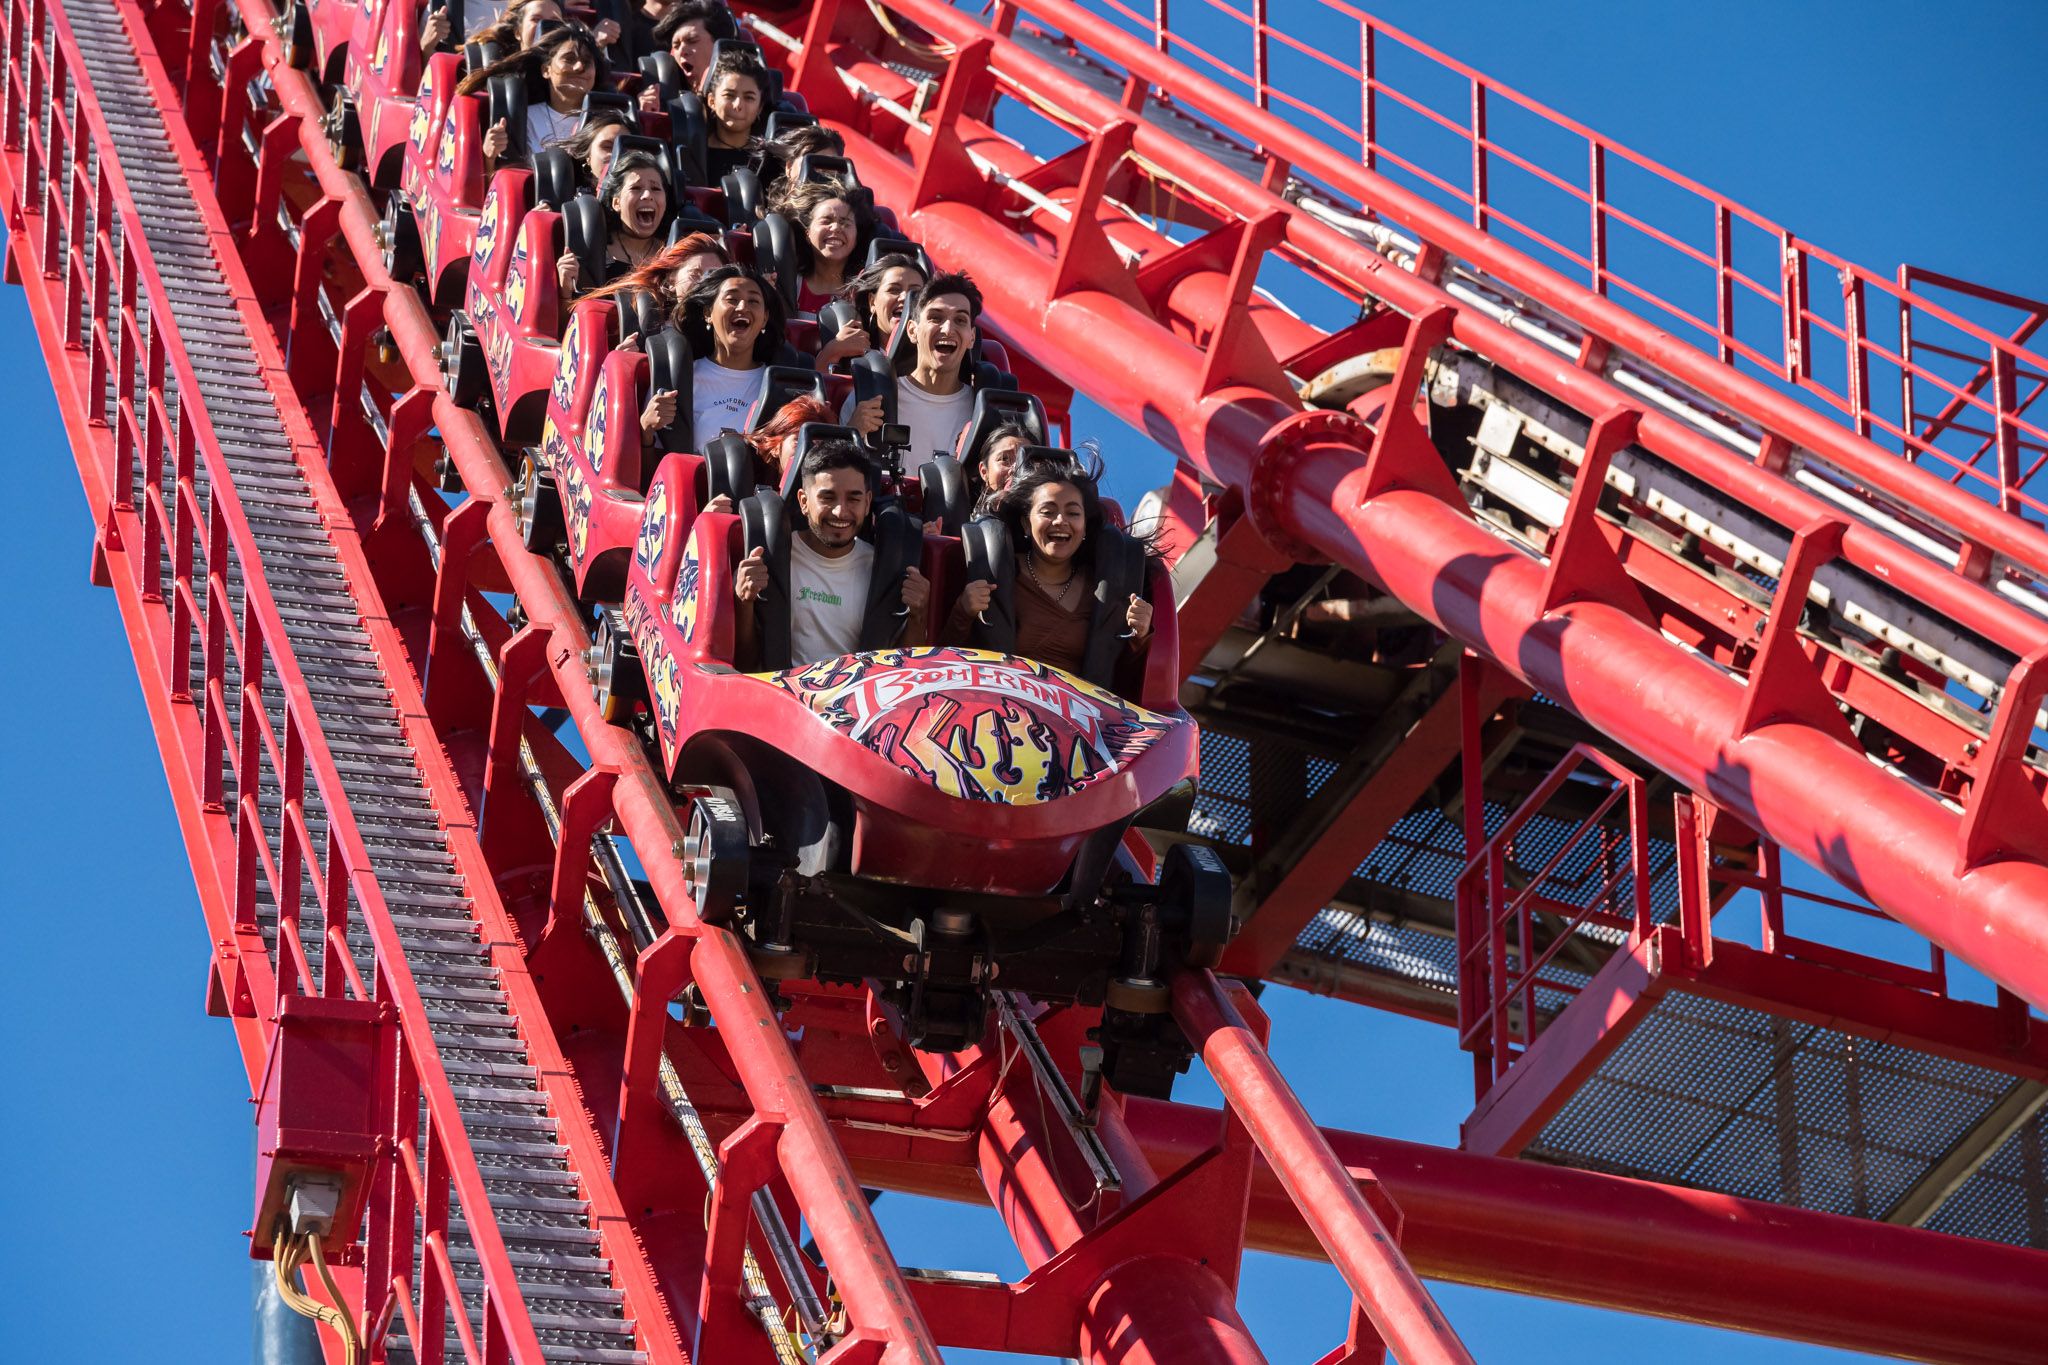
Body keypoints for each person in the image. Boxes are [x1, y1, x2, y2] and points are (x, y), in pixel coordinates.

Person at [944, 454, 1153, 678]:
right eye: (1048, 512)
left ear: (1084, 527)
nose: (1060, 521)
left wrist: (1140, 635)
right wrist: (963, 610)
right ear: (1026, 523)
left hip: (1078, 710)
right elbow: (946, 660)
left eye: (1073, 513)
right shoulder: (996, 576)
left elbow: (1126, 680)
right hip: (1002, 702)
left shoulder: (1105, 590)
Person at [734, 440, 930, 668]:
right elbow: (744, 662)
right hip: (783, 696)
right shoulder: (770, 559)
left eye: (853, 499)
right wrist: (743, 603)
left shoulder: (883, 569)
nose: (840, 511)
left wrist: (918, 614)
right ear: (804, 501)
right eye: (828, 498)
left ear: (867, 504)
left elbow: (905, 667)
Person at [847, 271, 981, 476]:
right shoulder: (869, 396)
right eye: (936, 318)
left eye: (960, 321)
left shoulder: (982, 412)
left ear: (971, 337)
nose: (947, 329)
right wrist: (853, 431)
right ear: (912, 330)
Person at [464, 25, 601, 166]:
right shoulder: (525, 118)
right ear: (546, 70)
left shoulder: (604, 122)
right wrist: (490, 156)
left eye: (587, 62)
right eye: (569, 59)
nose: (579, 67)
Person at [675, 264, 784, 442]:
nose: (742, 307)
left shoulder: (779, 387)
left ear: (764, 319)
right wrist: (647, 431)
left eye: (753, 301)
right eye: (732, 299)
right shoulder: (681, 377)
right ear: (707, 312)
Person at [557, 149, 670, 297]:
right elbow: (570, 317)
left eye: (655, 188)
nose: (648, 195)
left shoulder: (674, 253)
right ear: (616, 203)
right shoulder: (592, 251)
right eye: (636, 188)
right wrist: (565, 288)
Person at [771, 179, 865, 314]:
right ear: (807, 233)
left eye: (845, 223)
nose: (836, 228)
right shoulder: (789, 284)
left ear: (856, 238)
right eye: (826, 221)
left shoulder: (864, 293)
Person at [700, 52, 769, 182]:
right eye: (729, 95)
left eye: (749, 98)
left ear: (760, 107)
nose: (738, 105)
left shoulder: (770, 160)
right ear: (712, 101)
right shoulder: (694, 152)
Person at [746, 394, 836, 489]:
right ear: (775, 447)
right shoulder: (746, 474)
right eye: (799, 442)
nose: (809, 452)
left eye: (820, 445)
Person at [546, 107, 629, 203]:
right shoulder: (566, 202)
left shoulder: (646, 197)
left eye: (625, 149)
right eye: (607, 147)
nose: (617, 155)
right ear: (588, 157)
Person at [653, 0, 736, 90]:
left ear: (721, 46)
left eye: (692, 41)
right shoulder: (663, 99)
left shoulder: (742, 95)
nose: (682, 51)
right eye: (676, 45)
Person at [965, 421, 1033, 517]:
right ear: (984, 472)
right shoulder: (963, 525)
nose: (1015, 468)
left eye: (1026, 461)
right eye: (1004, 459)